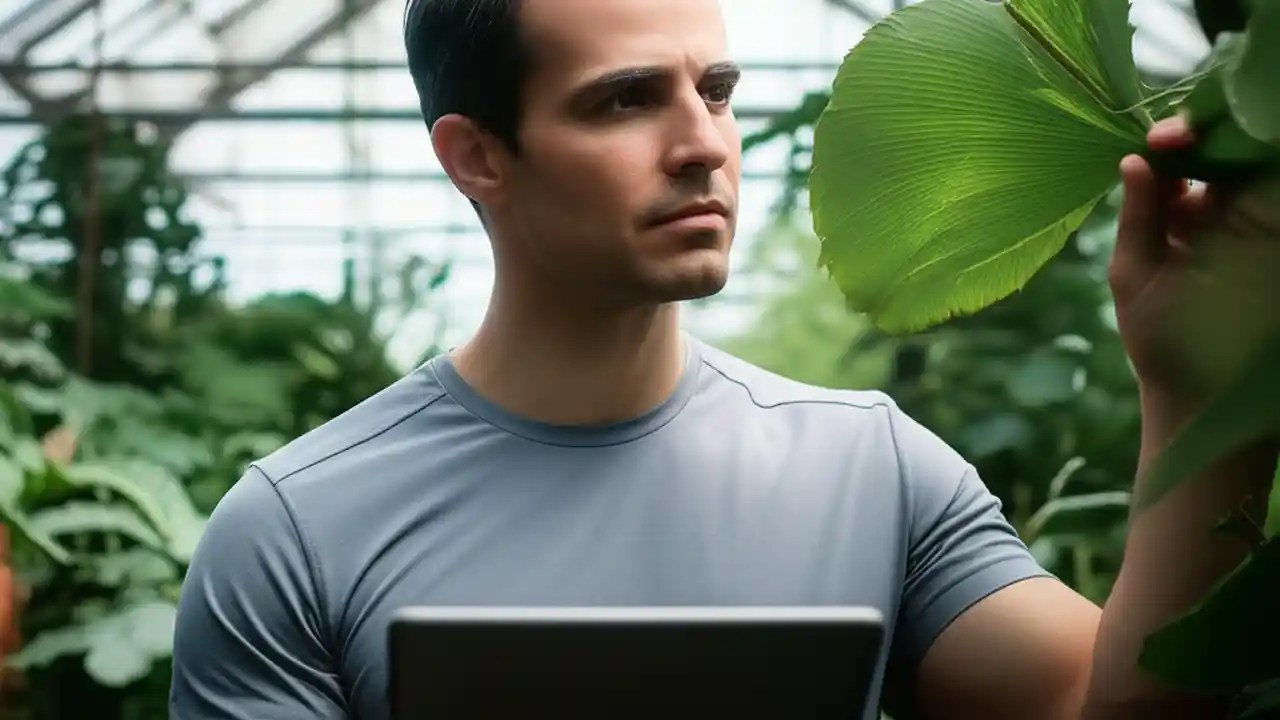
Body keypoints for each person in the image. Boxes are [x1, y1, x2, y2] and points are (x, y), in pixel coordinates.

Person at [169, 0, 1280, 717]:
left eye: (716, 91)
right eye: (622, 100)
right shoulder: (296, 531)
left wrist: (1197, 391)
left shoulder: (873, 470)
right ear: (476, 157)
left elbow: (1113, 711)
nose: (702, 143)